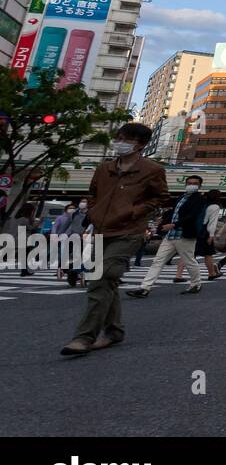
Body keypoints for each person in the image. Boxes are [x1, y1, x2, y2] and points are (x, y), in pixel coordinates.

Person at [60, 124, 171, 355]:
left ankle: (83, 337)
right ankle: (114, 330)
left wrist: (134, 211)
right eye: (119, 138)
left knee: (100, 278)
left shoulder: (152, 170)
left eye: (127, 139)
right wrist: (93, 211)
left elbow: (160, 197)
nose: (120, 142)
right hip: (101, 230)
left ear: (140, 144)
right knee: (104, 281)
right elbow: (92, 193)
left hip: (129, 231)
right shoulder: (104, 168)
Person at [129, 174, 208, 299]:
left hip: (185, 234)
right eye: (190, 183)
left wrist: (173, 224)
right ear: (186, 184)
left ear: (199, 186)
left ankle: (196, 284)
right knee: (158, 261)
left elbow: (192, 216)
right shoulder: (181, 197)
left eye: (195, 183)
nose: (192, 185)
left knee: (189, 261)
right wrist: (165, 223)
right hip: (171, 235)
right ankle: (144, 288)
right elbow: (174, 213)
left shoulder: (200, 199)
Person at [195, 188, 224, 280]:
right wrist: (211, 235)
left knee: (190, 253)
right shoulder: (215, 207)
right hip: (205, 232)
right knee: (208, 253)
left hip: (196, 230)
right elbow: (212, 222)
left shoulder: (203, 204)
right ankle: (211, 273)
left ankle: (178, 274)